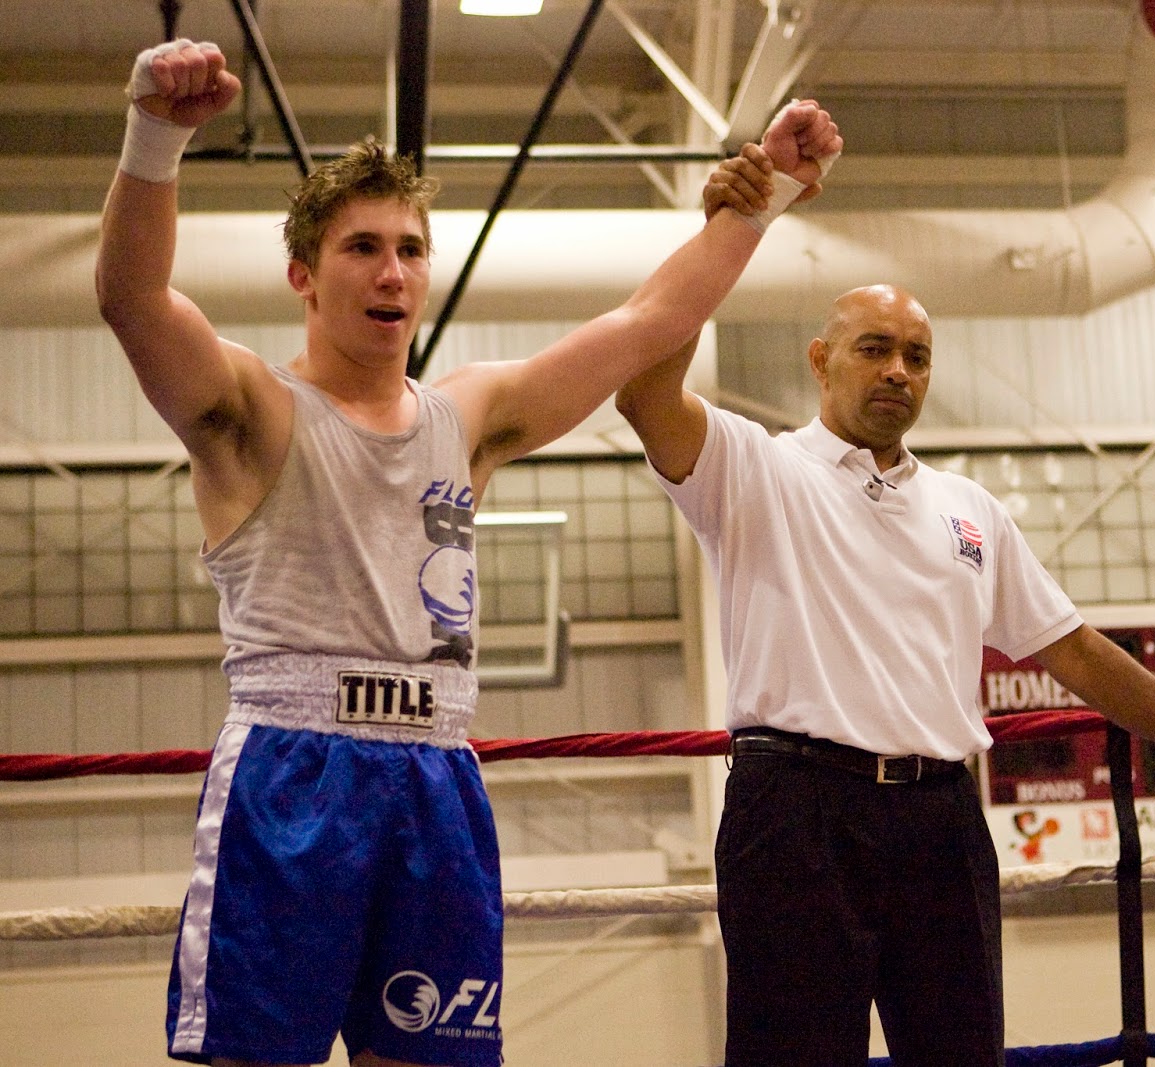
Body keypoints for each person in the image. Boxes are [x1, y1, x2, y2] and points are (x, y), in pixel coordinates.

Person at [96, 38, 840, 1067]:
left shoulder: (471, 413)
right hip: (293, 773)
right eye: (361, 247)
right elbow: (134, 302)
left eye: (408, 247)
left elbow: (647, 320)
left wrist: (763, 200)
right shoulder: (253, 408)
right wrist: (156, 136)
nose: (392, 270)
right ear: (304, 274)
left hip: (438, 772)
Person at [614, 152, 1155, 1067]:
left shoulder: (969, 510)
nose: (899, 371)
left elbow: (1079, 653)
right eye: (875, 348)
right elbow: (643, 392)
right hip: (793, 815)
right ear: (821, 361)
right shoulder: (755, 467)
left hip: (943, 823)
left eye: (917, 355)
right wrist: (721, 233)